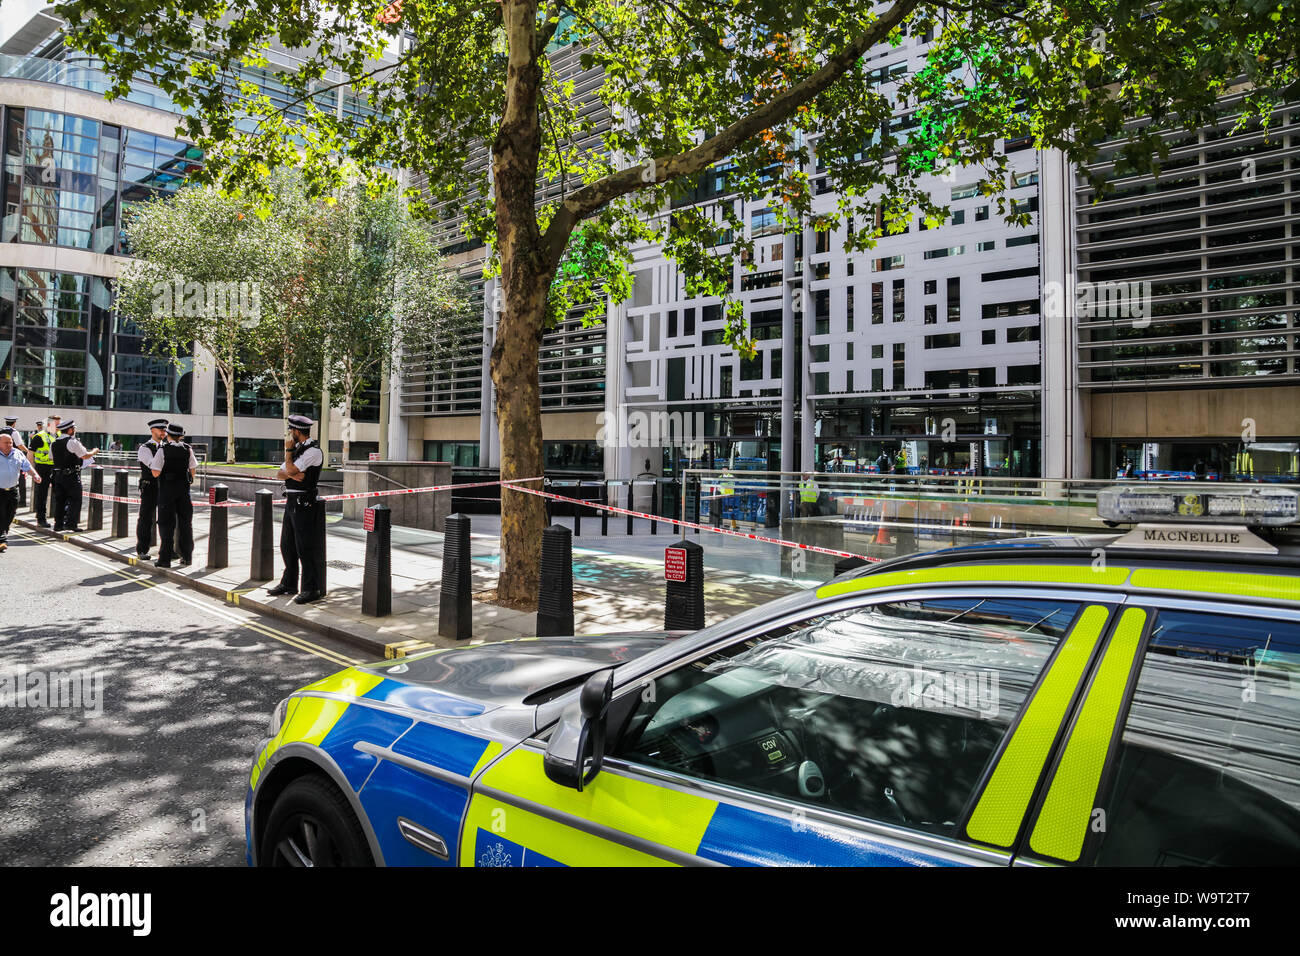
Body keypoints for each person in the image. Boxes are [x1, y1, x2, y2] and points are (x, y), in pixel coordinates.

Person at [267, 414, 326, 604]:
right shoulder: (299, 450)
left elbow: (290, 471)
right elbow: (280, 474)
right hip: (292, 501)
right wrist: (294, 473)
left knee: (304, 547)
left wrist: (289, 454)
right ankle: (289, 583)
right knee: (287, 545)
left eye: (291, 431)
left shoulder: (313, 451)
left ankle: (310, 589)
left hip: (305, 503)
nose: (290, 434)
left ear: (296, 431)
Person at [148, 422, 197, 568]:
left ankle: (165, 559)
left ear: (168, 435)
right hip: (184, 490)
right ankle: (187, 557)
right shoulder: (188, 449)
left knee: (166, 524)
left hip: (167, 490)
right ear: (181, 436)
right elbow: (192, 469)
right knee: (186, 524)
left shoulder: (163, 450)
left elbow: (155, 472)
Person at [49, 419, 98, 533]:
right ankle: (71, 524)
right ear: (70, 430)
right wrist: (94, 451)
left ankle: (58, 524)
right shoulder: (72, 442)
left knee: (60, 501)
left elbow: (52, 457)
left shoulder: (54, 442)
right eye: (74, 429)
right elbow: (85, 456)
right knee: (75, 500)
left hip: (57, 475)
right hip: (70, 475)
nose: (74, 430)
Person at [0, 431, 41, 553]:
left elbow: (27, 466)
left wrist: (35, 475)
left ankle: (2, 535)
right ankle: (2, 540)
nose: (9, 444)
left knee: (10, 514)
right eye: (6, 442)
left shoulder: (17, 453)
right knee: (0, 515)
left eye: (11, 442)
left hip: (13, 490)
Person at [136, 418, 169, 558]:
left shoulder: (167, 446)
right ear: (152, 430)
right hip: (150, 487)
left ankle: (168, 550)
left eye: (165, 429)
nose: (164, 432)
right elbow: (153, 465)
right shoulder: (145, 448)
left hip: (165, 486)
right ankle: (142, 549)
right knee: (146, 519)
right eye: (161, 429)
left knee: (167, 519)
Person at [28, 416, 60, 527]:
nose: (59, 427)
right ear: (50, 425)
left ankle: (59, 520)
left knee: (59, 493)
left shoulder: (59, 435)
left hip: (56, 468)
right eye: (57, 425)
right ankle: (41, 519)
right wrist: (32, 471)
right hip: (42, 468)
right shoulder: (39, 436)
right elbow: (30, 454)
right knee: (42, 494)